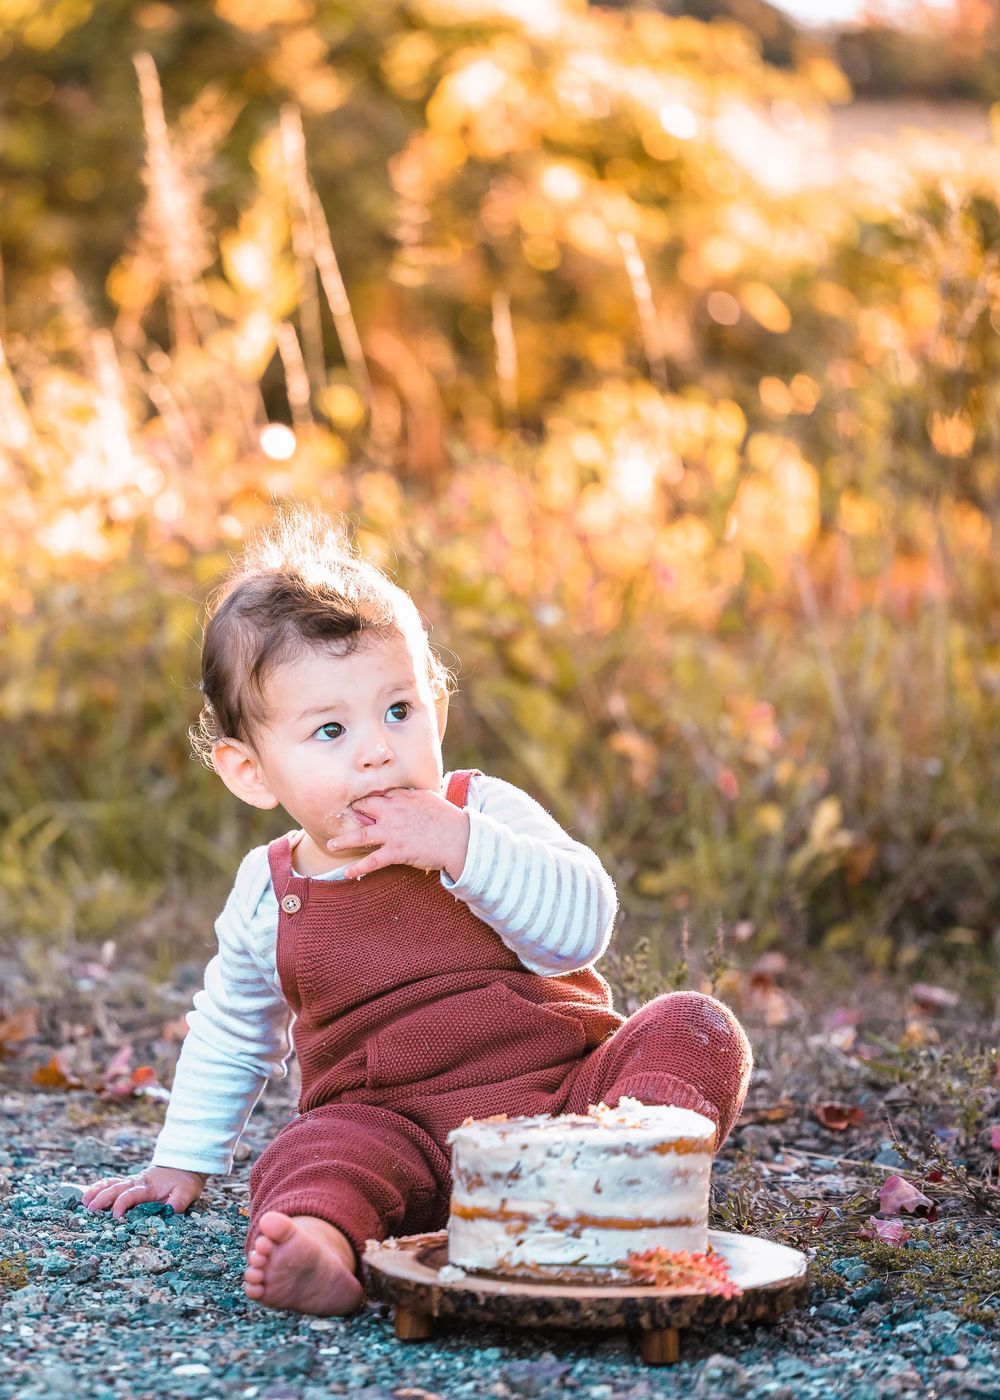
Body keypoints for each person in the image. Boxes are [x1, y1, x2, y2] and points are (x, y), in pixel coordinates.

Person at [81, 509, 753, 1317]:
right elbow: (231, 1032)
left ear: (436, 707)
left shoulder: (483, 811)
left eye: (398, 710)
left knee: (694, 1024)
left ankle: (641, 1173)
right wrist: (180, 1164)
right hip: (399, 1134)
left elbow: (582, 928)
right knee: (311, 1151)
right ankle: (322, 1246)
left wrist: (462, 847)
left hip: (572, 1109)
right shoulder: (272, 889)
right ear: (252, 773)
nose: (376, 750)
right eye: (329, 729)